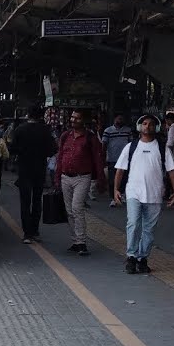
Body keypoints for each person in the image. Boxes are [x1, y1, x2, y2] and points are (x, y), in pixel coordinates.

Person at [113, 114, 174, 274]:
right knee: (133, 224)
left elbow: (171, 171)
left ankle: (142, 258)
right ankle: (131, 256)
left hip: (155, 194)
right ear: (139, 126)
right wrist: (116, 189)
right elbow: (120, 170)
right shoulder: (131, 147)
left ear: (156, 128)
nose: (147, 126)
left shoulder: (163, 148)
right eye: (144, 123)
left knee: (149, 230)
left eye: (151, 124)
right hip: (133, 192)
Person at [54, 109, 105, 256]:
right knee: (69, 211)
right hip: (65, 177)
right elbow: (60, 157)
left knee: (77, 208)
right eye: (72, 117)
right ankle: (76, 241)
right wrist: (57, 177)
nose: (73, 120)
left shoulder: (90, 138)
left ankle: (81, 242)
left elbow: (98, 159)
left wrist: (100, 179)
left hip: (82, 178)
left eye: (77, 118)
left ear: (84, 120)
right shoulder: (65, 136)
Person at [11, 107, 57, 244]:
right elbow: (52, 150)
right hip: (39, 170)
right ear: (40, 116)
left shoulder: (20, 129)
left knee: (25, 202)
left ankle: (27, 234)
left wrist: (23, 153)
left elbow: (12, 149)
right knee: (37, 201)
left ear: (28, 115)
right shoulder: (45, 131)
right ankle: (35, 231)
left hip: (24, 170)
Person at [102, 113, 134, 207]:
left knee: (124, 178)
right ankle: (113, 198)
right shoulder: (108, 131)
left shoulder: (128, 130)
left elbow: (131, 143)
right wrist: (103, 156)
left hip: (125, 159)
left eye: (121, 119)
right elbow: (104, 144)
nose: (120, 121)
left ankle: (121, 195)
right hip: (112, 158)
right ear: (114, 119)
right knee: (112, 180)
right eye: (119, 119)